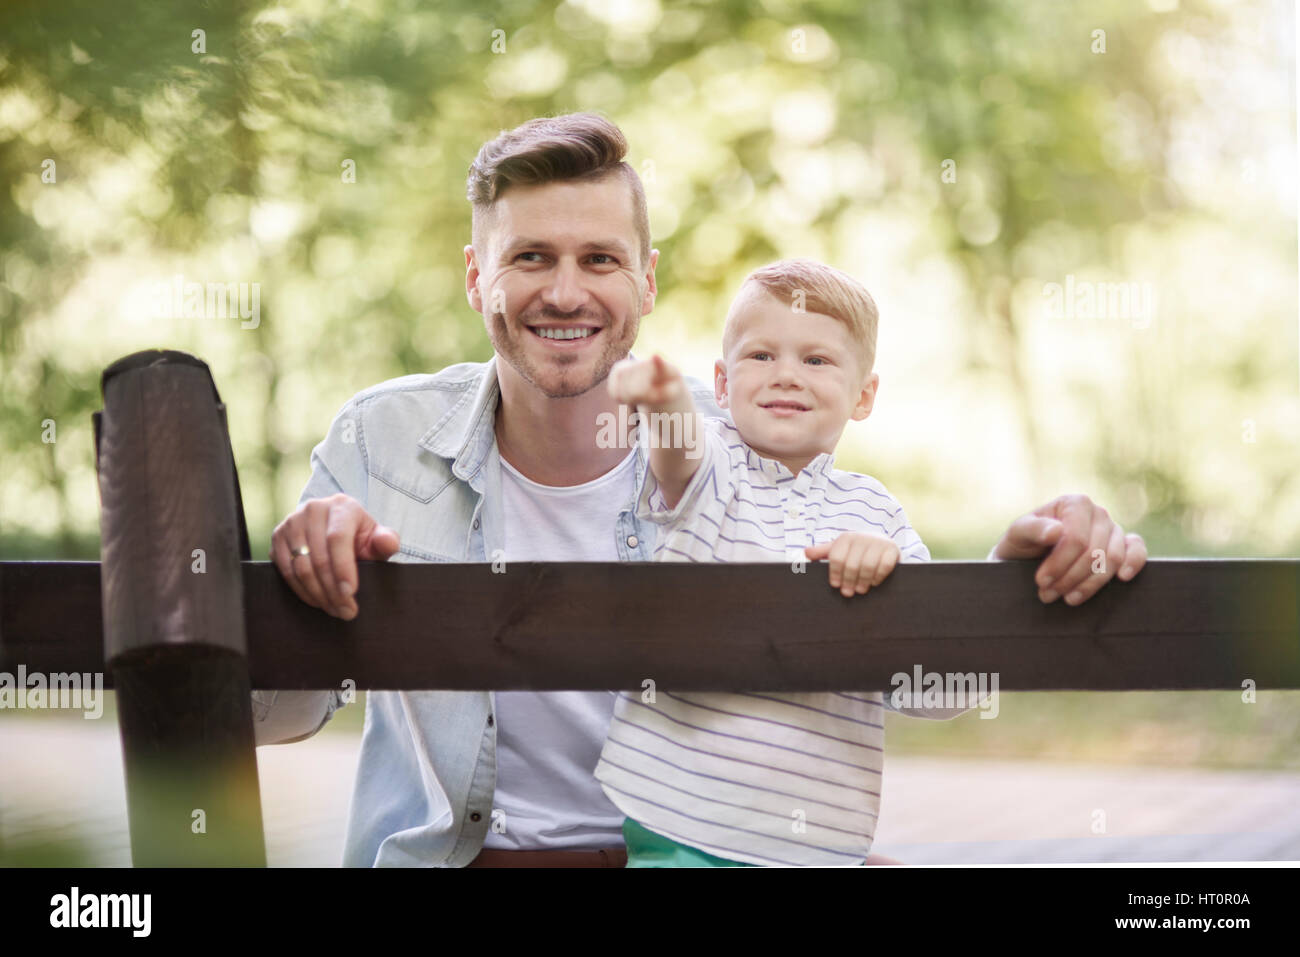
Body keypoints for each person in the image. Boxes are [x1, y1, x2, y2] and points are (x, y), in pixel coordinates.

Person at [254, 112, 1148, 868]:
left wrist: (1011, 573)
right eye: (529, 256)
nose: (564, 292)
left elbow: (914, 665)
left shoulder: (745, 436)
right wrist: (305, 595)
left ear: (646, 279)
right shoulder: (381, 440)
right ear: (475, 276)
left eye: (599, 259)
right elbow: (274, 717)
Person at [592, 259, 1074, 867]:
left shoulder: (876, 512)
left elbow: (936, 691)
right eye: (761, 355)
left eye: (816, 360)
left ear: (863, 395)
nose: (786, 375)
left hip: (816, 842)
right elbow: (678, 451)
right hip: (683, 821)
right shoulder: (714, 466)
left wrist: (896, 588)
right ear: (722, 383)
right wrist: (663, 402)